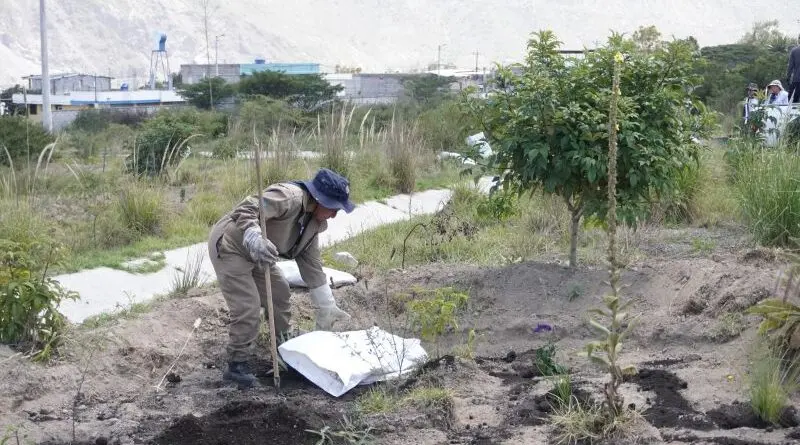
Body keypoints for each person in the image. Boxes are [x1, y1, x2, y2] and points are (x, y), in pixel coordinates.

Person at [208, 168, 354, 387]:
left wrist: (326, 305)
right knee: (248, 306)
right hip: (232, 245)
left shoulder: (313, 223)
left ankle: (284, 352)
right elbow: (246, 208)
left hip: (260, 253)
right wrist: (253, 234)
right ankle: (237, 365)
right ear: (319, 199)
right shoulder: (288, 197)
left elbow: (311, 264)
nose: (334, 215)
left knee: (280, 294)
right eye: (333, 208)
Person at [787, 34, 800, 103]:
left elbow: (790, 67)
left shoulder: (794, 51)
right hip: (796, 80)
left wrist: (788, 77)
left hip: (796, 80)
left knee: (793, 103)